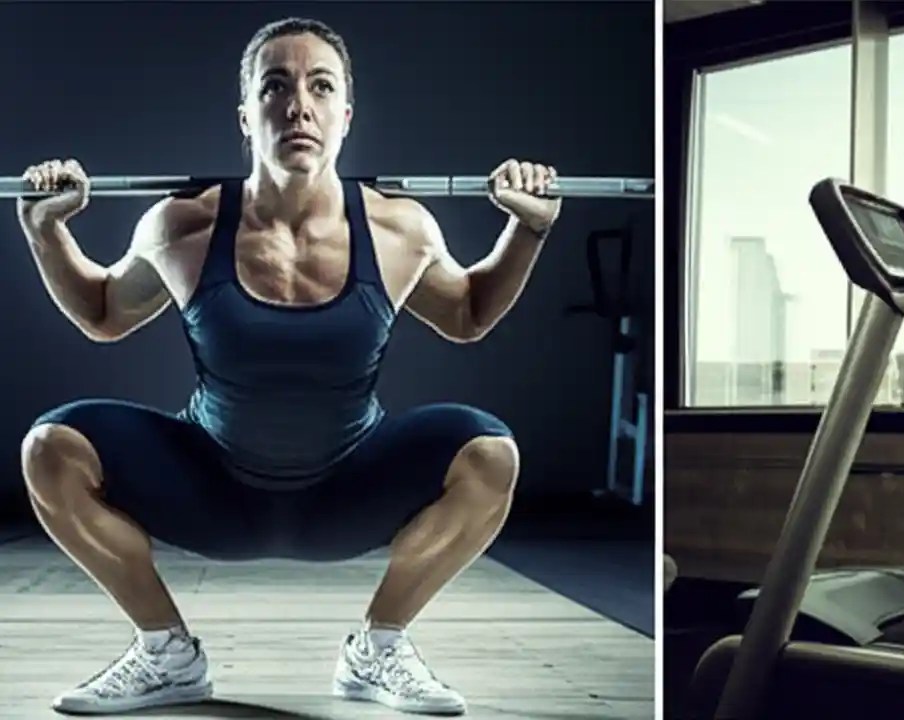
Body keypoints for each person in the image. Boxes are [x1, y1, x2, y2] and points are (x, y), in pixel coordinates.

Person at [16, 17, 561, 716]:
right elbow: (101, 312)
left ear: (345, 115)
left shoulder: (401, 229)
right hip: (211, 487)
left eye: (320, 86)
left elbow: (468, 315)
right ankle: (165, 651)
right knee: (49, 450)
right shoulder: (183, 225)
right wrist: (45, 231)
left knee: (491, 453)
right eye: (276, 86)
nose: (298, 104)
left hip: (349, 490)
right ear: (247, 115)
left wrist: (528, 228)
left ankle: (379, 647)